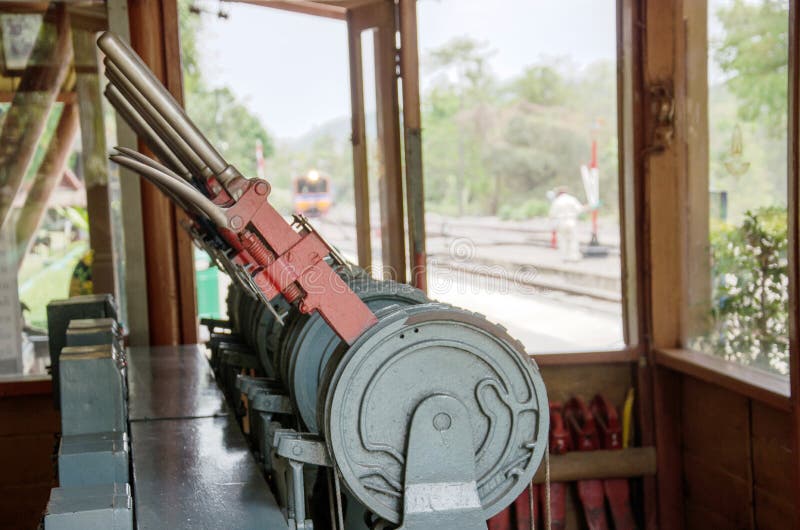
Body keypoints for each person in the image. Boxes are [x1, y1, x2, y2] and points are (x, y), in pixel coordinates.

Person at [548, 186, 586, 262]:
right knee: (573, 239)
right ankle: (574, 256)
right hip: (572, 220)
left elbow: (552, 214)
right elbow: (579, 209)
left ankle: (564, 256)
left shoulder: (557, 201)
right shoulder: (572, 199)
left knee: (563, 240)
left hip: (561, 221)